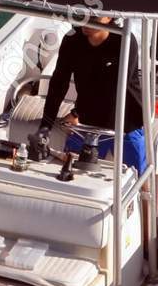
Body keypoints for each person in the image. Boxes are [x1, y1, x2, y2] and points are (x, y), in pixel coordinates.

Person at [34, 15, 147, 173]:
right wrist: (45, 127)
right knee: (69, 172)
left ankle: (145, 196)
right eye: (81, 16)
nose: (85, 22)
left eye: (94, 17)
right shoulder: (72, 39)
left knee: (138, 176)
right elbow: (58, 83)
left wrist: (76, 113)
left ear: (109, 17)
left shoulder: (125, 41)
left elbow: (115, 88)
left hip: (126, 121)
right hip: (89, 119)